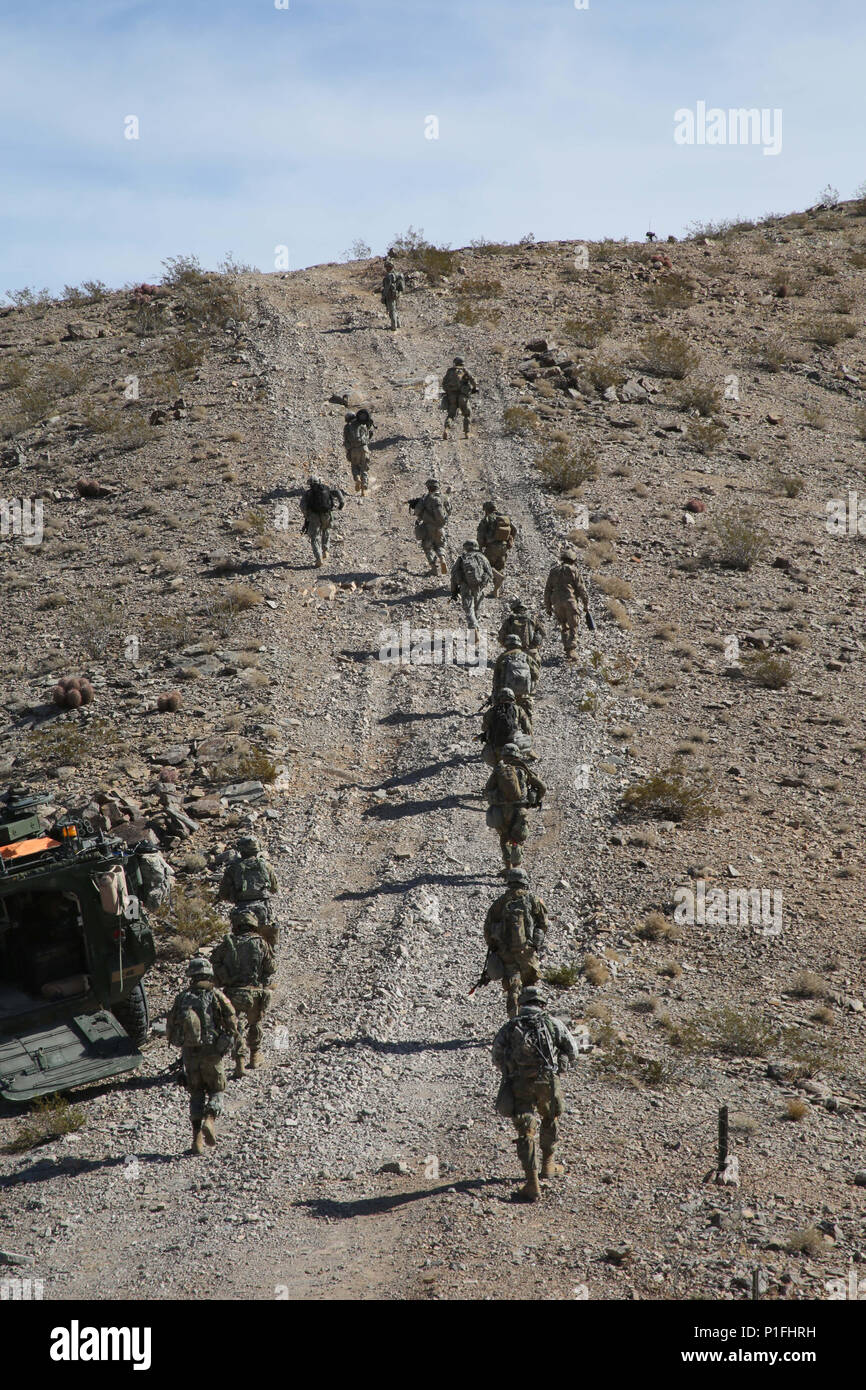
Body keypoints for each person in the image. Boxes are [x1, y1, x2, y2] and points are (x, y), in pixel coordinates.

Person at [492, 985, 580, 1201]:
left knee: (525, 1128)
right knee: (550, 1116)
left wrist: (510, 1071)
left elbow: (496, 1056)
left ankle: (532, 1183)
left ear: (521, 1004)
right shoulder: (552, 1023)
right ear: (541, 1003)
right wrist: (561, 1066)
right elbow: (573, 1049)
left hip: (519, 1082)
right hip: (547, 1080)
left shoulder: (510, 1026)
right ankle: (548, 1165)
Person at [166, 958, 238, 1155]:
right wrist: (228, 1039)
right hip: (212, 1052)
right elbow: (232, 1019)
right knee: (217, 1089)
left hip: (189, 1054)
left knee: (196, 1093)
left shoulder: (181, 998)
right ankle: (210, 1120)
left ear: (191, 975)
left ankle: (196, 1140)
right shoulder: (215, 995)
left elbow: (171, 1028)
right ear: (208, 974)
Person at [211, 910, 275, 1076]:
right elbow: (271, 968)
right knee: (255, 1024)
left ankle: (239, 1062)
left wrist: (225, 976)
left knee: (235, 1028)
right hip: (254, 992)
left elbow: (214, 963)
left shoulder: (227, 943)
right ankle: (255, 1056)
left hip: (232, 994)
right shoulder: (260, 942)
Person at [481, 867, 549, 1018]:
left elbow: (487, 929)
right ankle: (532, 1018)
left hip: (506, 952)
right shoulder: (533, 900)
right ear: (524, 881)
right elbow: (543, 924)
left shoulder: (499, 903)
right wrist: (535, 944)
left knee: (513, 986)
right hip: (527, 952)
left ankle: (513, 1021)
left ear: (509, 881)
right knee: (530, 984)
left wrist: (494, 947)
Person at [484, 743, 545, 869]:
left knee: (504, 838)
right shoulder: (523, 770)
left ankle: (507, 869)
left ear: (503, 756)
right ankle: (516, 872)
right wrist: (535, 800)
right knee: (517, 840)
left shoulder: (499, 770)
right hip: (520, 810)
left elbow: (488, 789)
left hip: (501, 810)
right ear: (517, 755)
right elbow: (542, 787)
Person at [217, 836, 279, 948]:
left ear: (241, 850)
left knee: (240, 947)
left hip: (242, 915)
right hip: (263, 912)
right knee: (269, 947)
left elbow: (223, 894)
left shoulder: (232, 868)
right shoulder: (266, 866)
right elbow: (274, 889)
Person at [543, 547, 591, 660]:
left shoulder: (553, 571)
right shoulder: (574, 570)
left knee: (564, 626)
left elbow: (548, 590)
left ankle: (567, 649)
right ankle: (572, 650)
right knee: (574, 625)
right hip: (570, 601)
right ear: (573, 560)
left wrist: (548, 607)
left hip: (557, 603)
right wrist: (585, 604)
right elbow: (581, 588)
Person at [478, 686, 533, 767]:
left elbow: (484, 728)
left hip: (496, 747)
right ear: (513, 697)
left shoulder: (491, 711)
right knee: (526, 739)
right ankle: (530, 755)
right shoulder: (518, 709)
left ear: (499, 698)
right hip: (514, 746)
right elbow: (528, 728)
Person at [409, 478, 451, 575]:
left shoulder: (426, 498)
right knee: (440, 545)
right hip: (440, 527)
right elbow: (449, 511)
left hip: (429, 527)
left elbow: (417, 511)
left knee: (427, 547)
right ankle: (442, 558)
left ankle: (434, 568)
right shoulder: (444, 497)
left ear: (428, 487)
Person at [300, 474, 344, 567]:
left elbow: (302, 506)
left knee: (314, 537)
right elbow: (337, 492)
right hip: (326, 514)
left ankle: (318, 558)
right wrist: (341, 502)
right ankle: (325, 551)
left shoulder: (308, 493)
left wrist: (307, 516)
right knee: (326, 530)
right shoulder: (326, 489)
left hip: (314, 516)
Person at [450, 540, 494, 630]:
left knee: (469, 609)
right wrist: (483, 584)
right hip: (479, 586)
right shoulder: (482, 557)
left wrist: (454, 592)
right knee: (477, 608)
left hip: (465, 586)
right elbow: (490, 573)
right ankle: (475, 630)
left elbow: (454, 575)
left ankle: (473, 627)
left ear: (466, 547)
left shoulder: (462, 558)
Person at [476, 502, 517, 596]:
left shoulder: (487, 519)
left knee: (485, 565)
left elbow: (480, 536)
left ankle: (498, 578)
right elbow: (514, 530)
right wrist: (511, 540)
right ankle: (495, 591)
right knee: (499, 568)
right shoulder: (505, 518)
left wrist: (479, 548)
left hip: (492, 547)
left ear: (486, 509)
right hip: (504, 547)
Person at [441, 357, 477, 439]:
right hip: (462, 396)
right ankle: (467, 433)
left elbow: (444, 383)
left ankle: (446, 429)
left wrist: (448, 391)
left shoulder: (450, 371)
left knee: (451, 414)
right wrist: (474, 389)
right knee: (467, 414)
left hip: (452, 396)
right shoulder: (465, 371)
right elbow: (473, 381)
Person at [343, 409, 374, 495]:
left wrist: (348, 450)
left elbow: (346, 441)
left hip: (354, 450)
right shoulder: (362, 424)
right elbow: (368, 436)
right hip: (364, 448)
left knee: (354, 466)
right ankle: (364, 489)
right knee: (364, 468)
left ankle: (357, 479)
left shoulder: (347, 427)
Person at [380, 262, 405, 330]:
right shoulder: (397, 274)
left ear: (390, 267)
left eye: (387, 267)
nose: (386, 269)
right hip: (396, 294)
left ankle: (394, 326)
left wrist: (383, 296)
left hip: (390, 295)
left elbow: (387, 287)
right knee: (394, 309)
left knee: (392, 310)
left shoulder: (389, 276)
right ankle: (398, 324)